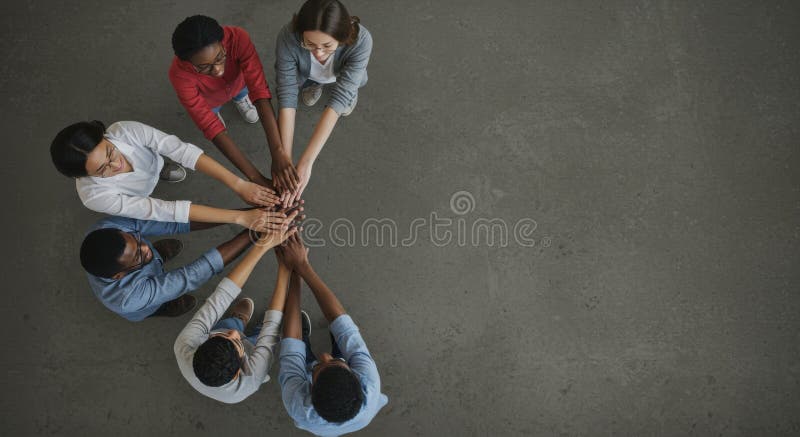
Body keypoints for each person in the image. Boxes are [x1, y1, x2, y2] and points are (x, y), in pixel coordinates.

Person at [51, 120, 288, 233]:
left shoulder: (124, 130)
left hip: (155, 160)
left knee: (161, 161)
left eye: (111, 152)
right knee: (152, 204)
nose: (116, 164)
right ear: (83, 177)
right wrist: (240, 218)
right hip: (139, 196)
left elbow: (180, 150)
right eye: (102, 170)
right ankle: (157, 174)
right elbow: (161, 209)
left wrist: (238, 183)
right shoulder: (93, 197)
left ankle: (161, 171)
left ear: (104, 136)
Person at [80, 205, 301, 321]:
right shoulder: (129, 299)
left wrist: (244, 215)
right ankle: (164, 307)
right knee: (160, 299)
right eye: (138, 255)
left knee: (157, 246)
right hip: (145, 303)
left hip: (140, 277)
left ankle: (158, 260)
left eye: (138, 240)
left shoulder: (106, 228)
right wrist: (253, 232)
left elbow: (170, 223)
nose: (145, 246)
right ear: (119, 276)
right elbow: (190, 275)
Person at [277, 234, 387, 435]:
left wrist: (293, 274)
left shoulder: (298, 405)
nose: (325, 355)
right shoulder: (369, 382)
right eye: (336, 362)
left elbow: (290, 344)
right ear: (356, 375)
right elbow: (342, 324)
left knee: (299, 349)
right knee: (341, 335)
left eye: (319, 369)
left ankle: (310, 350)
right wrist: (302, 266)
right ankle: (320, 360)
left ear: (309, 390)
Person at [174, 226, 298, 403]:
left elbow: (221, 296)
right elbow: (271, 326)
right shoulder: (251, 378)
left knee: (231, 325)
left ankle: (237, 321)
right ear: (237, 374)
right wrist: (285, 269)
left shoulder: (184, 345)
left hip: (228, 351)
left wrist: (262, 245)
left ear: (200, 346)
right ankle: (249, 331)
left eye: (222, 337)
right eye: (236, 342)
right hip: (253, 355)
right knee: (267, 335)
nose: (233, 335)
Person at [170, 15, 290, 190]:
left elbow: (258, 88)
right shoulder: (179, 75)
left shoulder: (238, 38)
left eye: (220, 57)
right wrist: (255, 178)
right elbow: (209, 125)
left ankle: (241, 99)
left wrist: (278, 152)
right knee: (213, 115)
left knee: (243, 92)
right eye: (203, 67)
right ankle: (220, 109)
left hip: (239, 84)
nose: (218, 70)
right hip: (210, 100)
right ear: (187, 62)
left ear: (223, 42)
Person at [273, 0, 373, 206]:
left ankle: (333, 85)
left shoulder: (362, 40)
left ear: (343, 36)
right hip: (308, 74)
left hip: (342, 78)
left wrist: (306, 163)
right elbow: (287, 93)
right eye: (309, 44)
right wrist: (285, 158)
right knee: (307, 82)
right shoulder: (287, 36)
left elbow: (337, 100)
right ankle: (315, 84)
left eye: (327, 46)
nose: (318, 53)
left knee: (348, 89)